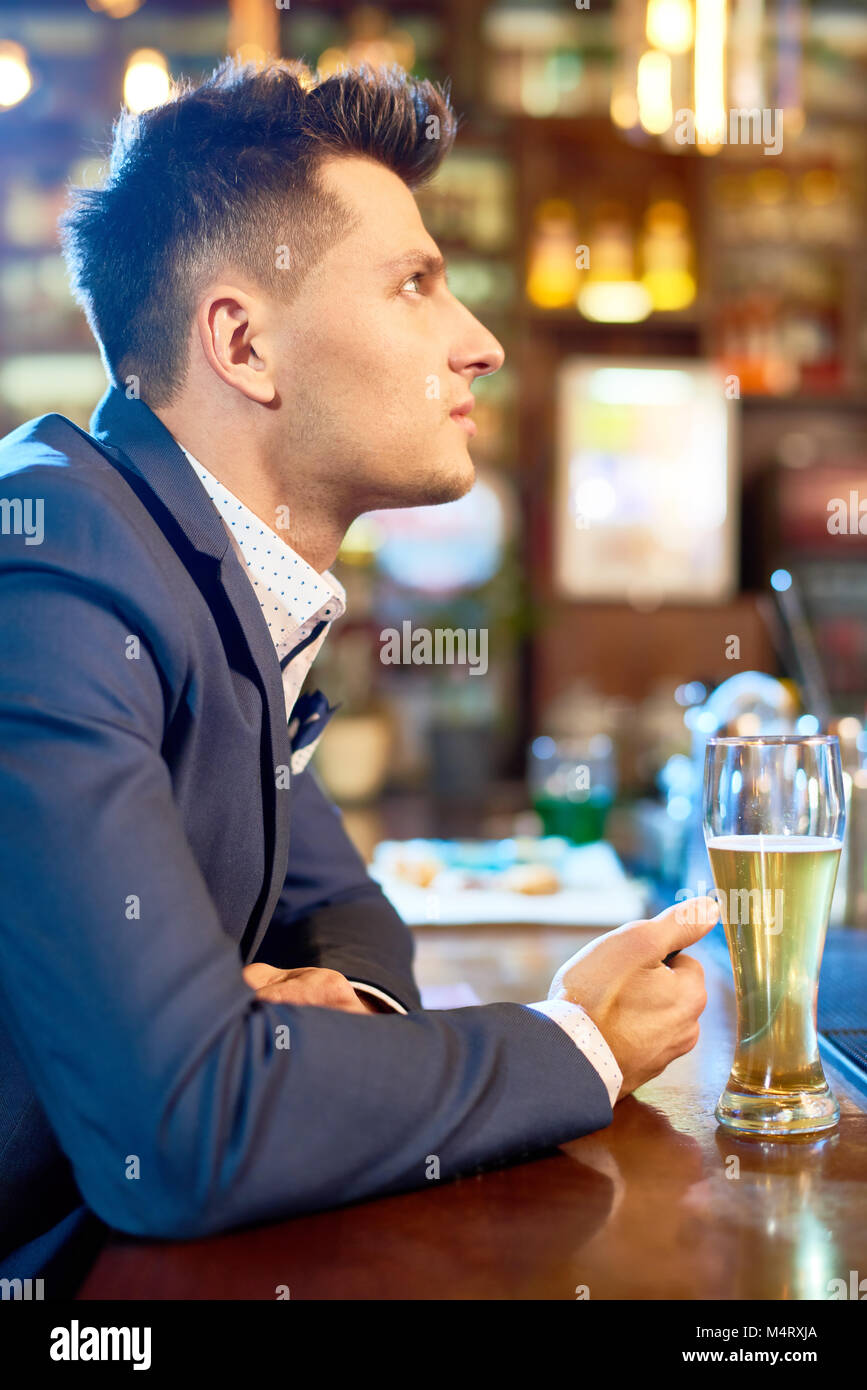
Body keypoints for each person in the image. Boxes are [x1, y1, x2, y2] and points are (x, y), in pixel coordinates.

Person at [0, 58, 717, 1294]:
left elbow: (348, 915)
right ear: (244, 342)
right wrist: (578, 1040)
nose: (481, 344)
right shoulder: (57, 575)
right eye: (415, 285)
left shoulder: (202, 576)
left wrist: (308, 1028)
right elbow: (183, 1133)